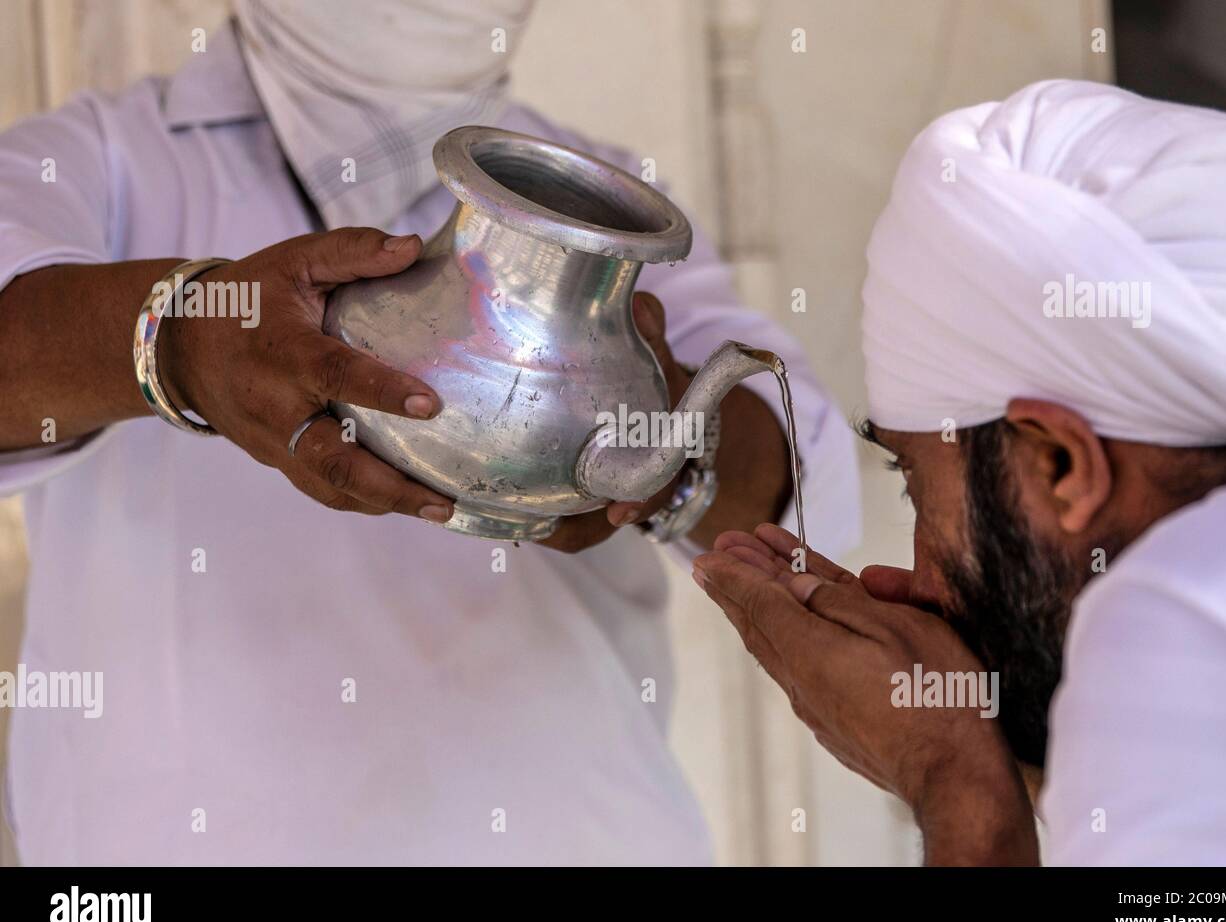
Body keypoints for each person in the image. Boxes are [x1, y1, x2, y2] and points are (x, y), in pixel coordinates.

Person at [0, 1, 861, 864]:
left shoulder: (597, 200)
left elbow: (806, 488)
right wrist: (182, 339)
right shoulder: (97, 160)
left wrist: (653, 439)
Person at [693, 80, 1226, 865]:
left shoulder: (1188, 618)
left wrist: (950, 775)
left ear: (1058, 463)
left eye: (915, 484)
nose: (910, 578)